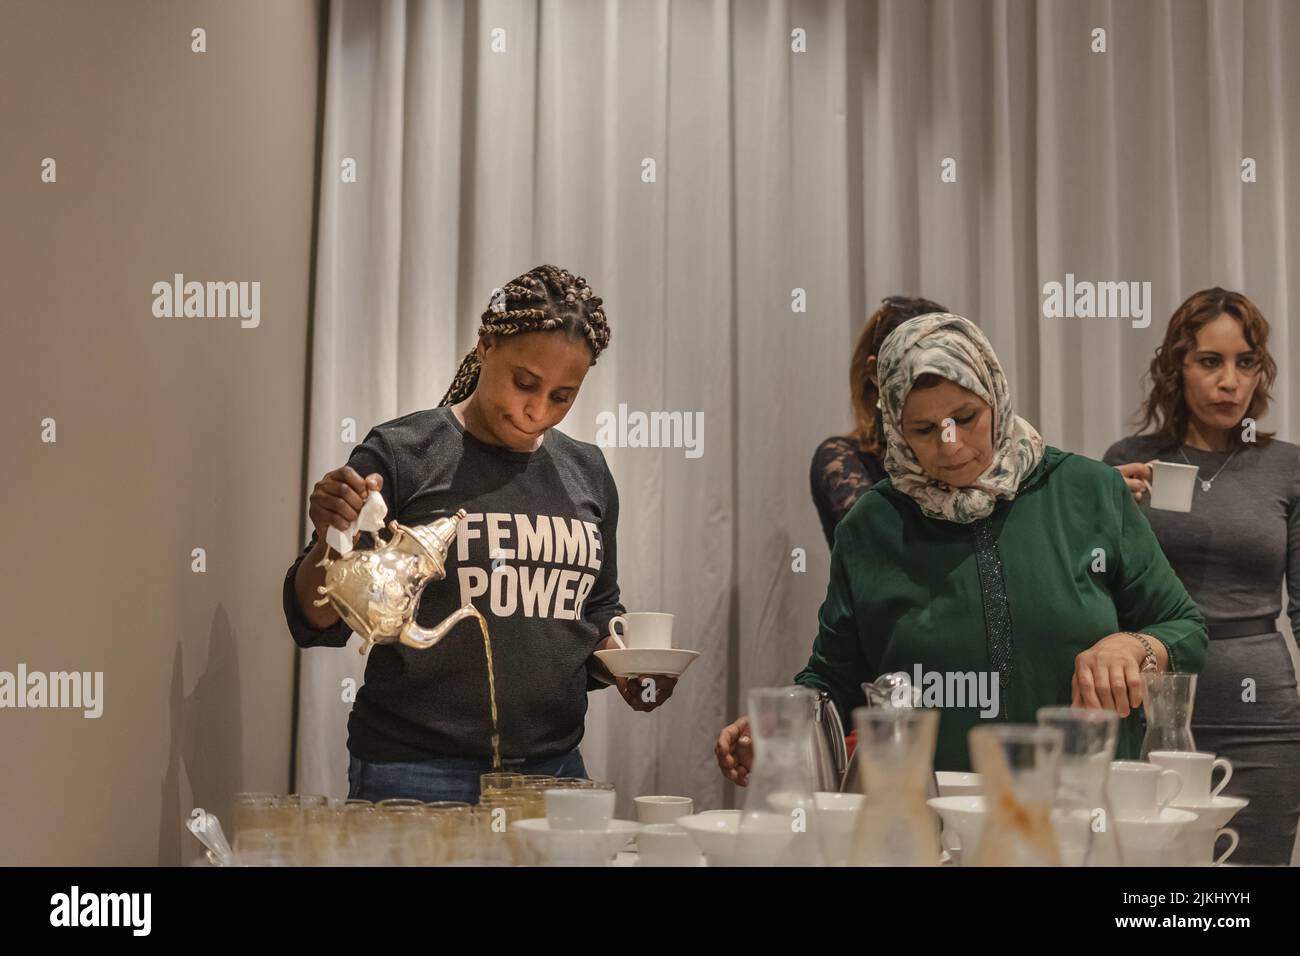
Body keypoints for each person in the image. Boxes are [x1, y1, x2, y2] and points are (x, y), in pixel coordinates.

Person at [717, 312, 1207, 780]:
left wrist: (1136, 645)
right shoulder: (873, 524)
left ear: (995, 395)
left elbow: (1186, 628)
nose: (950, 446)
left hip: (1082, 805)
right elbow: (835, 678)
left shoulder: (1089, 490)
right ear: (894, 428)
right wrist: (778, 729)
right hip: (930, 814)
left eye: (966, 417)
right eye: (924, 430)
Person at [283, 264, 674, 803]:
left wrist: (629, 666)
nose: (537, 410)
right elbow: (315, 619)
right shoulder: (404, 454)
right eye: (525, 382)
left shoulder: (588, 472)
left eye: (563, 395)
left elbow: (596, 614)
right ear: (487, 346)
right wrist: (332, 536)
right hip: (415, 773)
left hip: (553, 772)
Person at [1104, 286, 1300, 866]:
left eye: (1245, 363)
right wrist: (1100, 510)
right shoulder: (1129, 460)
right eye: (1210, 362)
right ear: (1177, 369)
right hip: (1153, 710)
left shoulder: (1286, 467)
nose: (1230, 381)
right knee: (1156, 894)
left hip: (1264, 718)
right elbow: (1096, 591)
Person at [810, 295, 950, 548]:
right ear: (876, 373)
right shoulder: (841, 459)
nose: (930, 385)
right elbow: (885, 551)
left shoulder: (965, 449)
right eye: (911, 372)